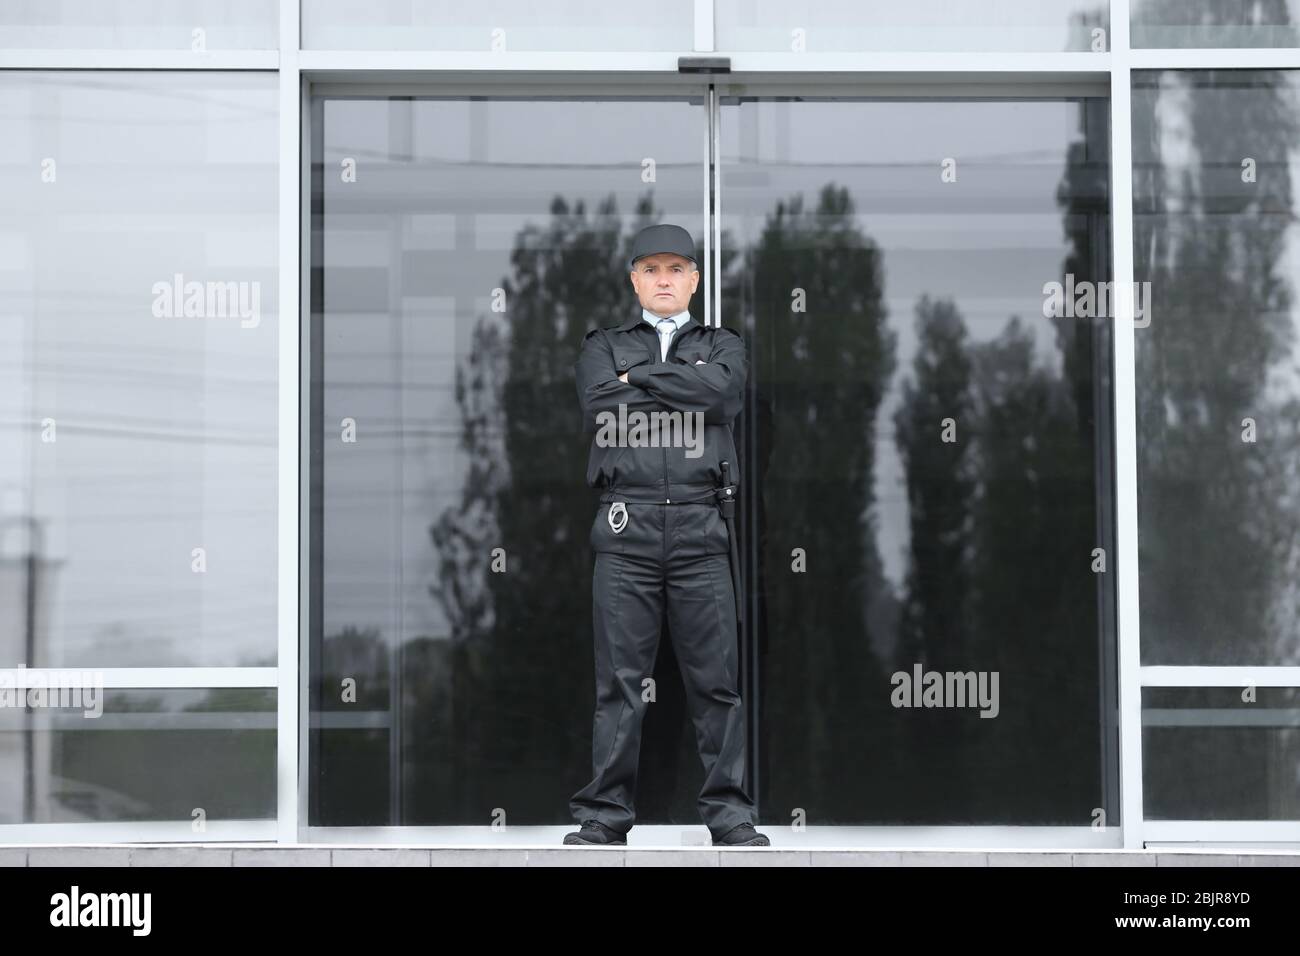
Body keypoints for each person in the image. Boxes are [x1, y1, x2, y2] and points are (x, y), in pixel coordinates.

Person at [564, 223, 769, 847]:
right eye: (651, 270)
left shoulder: (723, 342)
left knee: (717, 681)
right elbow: (602, 407)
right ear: (634, 278)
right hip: (625, 528)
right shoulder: (603, 344)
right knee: (619, 681)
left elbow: (725, 397)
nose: (663, 280)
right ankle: (604, 815)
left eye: (675, 270)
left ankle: (730, 815)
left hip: (701, 527)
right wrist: (683, 390)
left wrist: (642, 381)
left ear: (694, 279)